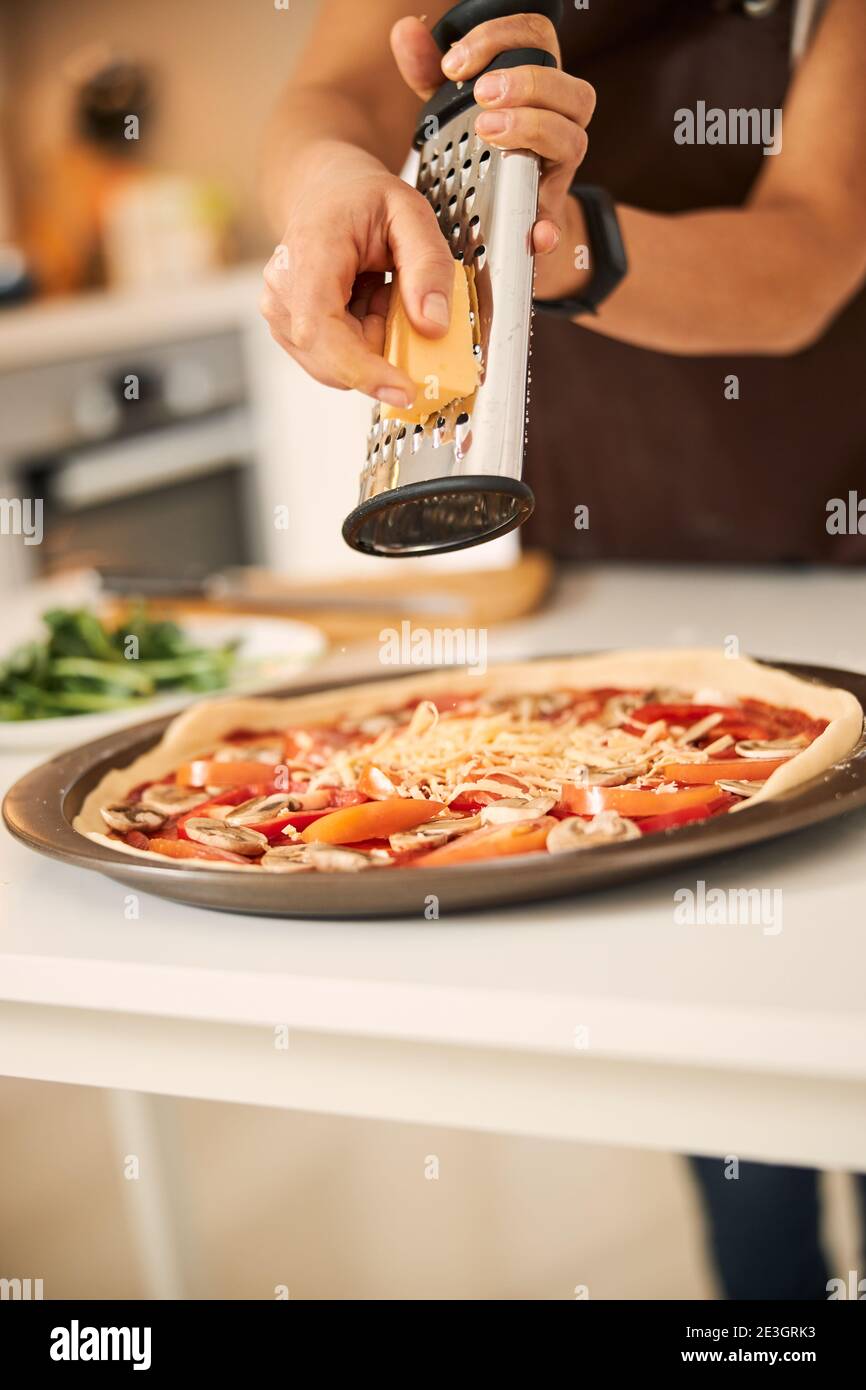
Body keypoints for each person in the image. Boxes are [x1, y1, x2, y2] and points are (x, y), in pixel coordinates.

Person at [260, 0, 866, 1297]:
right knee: (712, 1061)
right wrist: (328, 185)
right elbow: (328, 99)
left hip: (840, 549)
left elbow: (816, 246)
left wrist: (570, 245)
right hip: (614, 572)